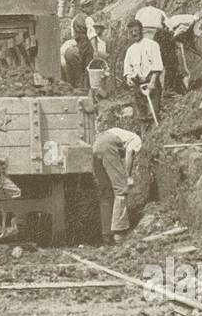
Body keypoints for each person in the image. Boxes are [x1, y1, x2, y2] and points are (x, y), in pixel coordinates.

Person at [92, 112, 143, 242]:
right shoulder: (137, 139)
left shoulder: (118, 132)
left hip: (96, 145)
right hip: (108, 145)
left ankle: (106, 234)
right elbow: (129, 156)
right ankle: (119, 232)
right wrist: (128, 177)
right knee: (121, 189)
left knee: (106, 192)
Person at [122, 20, 164, 119]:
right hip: (138, 85)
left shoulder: (152, 45)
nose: (134, 33)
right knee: (142, 115)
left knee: (153, 113)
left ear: (141, 30)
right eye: (131, 32)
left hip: (151, 83)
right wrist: (128, 78)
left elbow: (157, 65)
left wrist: (152, 82)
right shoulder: (130, 50)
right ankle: (144, 133)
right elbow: (127, 67)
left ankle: (155, 132)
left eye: (136, 30)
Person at [59, 13, 95, 88]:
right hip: (86, 44)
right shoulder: (88, 19)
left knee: (74, 72)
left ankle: (72, 87)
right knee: (87, 69)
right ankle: (86, 88)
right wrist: (95, 50)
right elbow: (92, 36)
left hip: (78, 44)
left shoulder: (74, 20)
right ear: (86, 7)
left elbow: (74, 35)